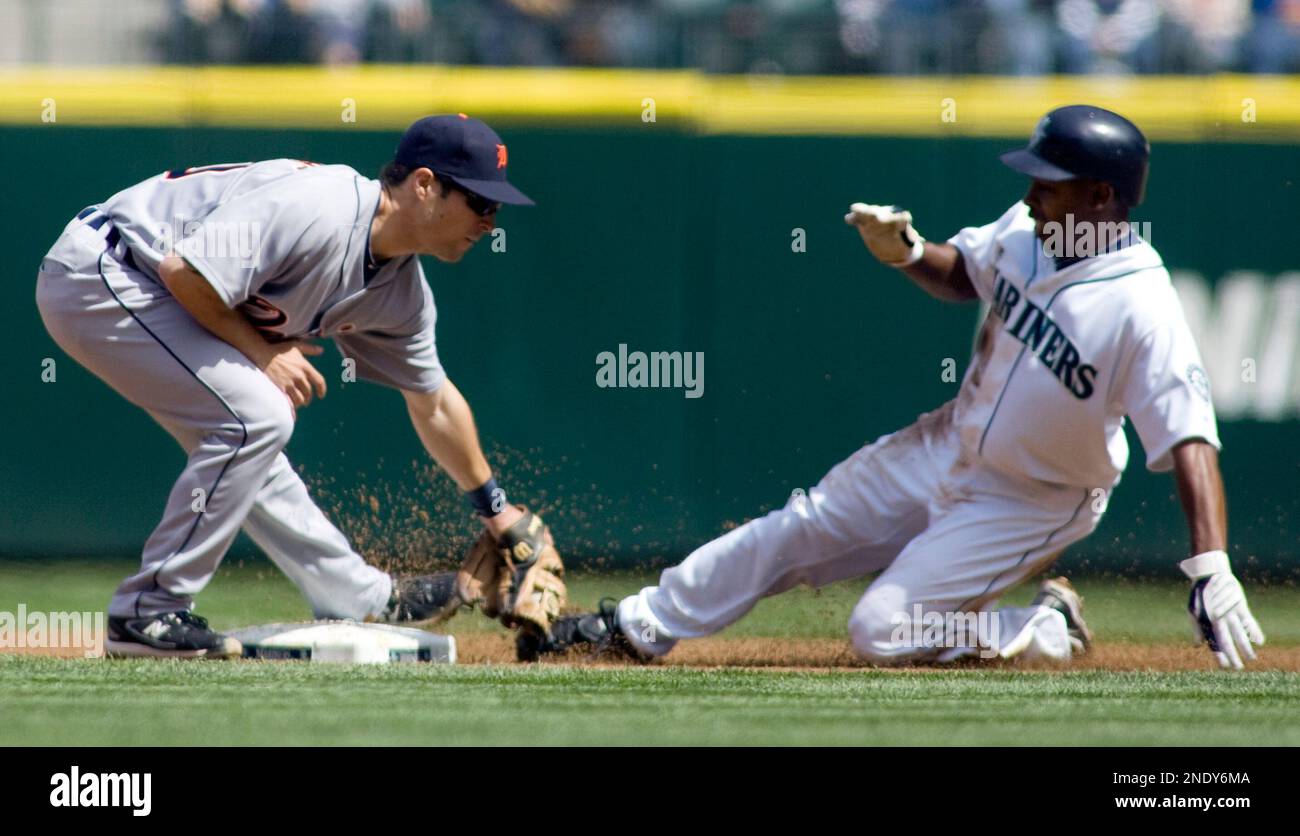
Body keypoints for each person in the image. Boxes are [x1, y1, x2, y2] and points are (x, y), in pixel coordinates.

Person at [532, 105, 1266, 670]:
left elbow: (1192, 439)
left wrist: (1210, 566)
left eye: (1050, 182)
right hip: (946, 443)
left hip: (1030, 498)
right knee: (799, 526)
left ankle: (1038, 629)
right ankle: (635, 626)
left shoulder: (1143, 306)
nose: (1033, 194)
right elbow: (964, 273)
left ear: (1102, 195)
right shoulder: (1027, 227)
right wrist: (910, 253)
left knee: (882, 629)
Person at [37, 114, 550, 658]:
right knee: (257, 418)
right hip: (103, 271)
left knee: (252, 434)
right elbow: (183, 272)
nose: (489, 222)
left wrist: (497, 511)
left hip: (153, 289)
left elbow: (435, 404)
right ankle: (147, 612)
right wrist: (263, 354)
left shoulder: (401, 296)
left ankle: (360, 597)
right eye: (480, 202)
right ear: (425, 185)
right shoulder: (320, 208)